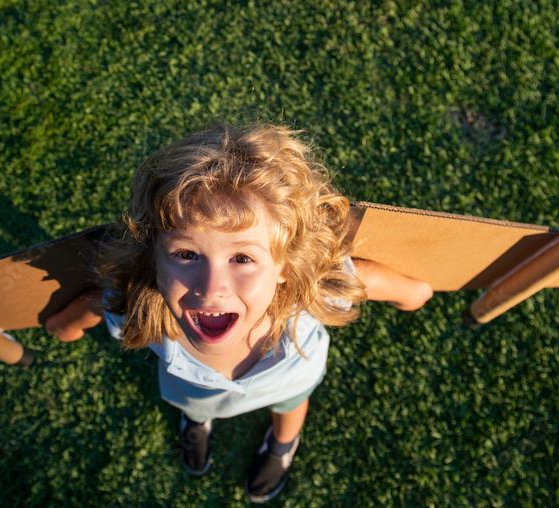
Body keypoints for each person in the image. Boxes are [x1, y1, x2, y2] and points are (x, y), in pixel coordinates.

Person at [44, 123, 432, 503]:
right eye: (186, 254)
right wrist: (66, 323)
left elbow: (367, 278)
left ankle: (282, 445)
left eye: (242, 258)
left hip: (290, 381)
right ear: (153, 259)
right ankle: (197, 424)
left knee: (292, 405)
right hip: (194, 391)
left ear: (285, 265)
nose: (212, 289)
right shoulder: (139, 308)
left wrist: (413, 292)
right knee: (195, 405)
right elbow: (98, 303)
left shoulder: (313, 292)